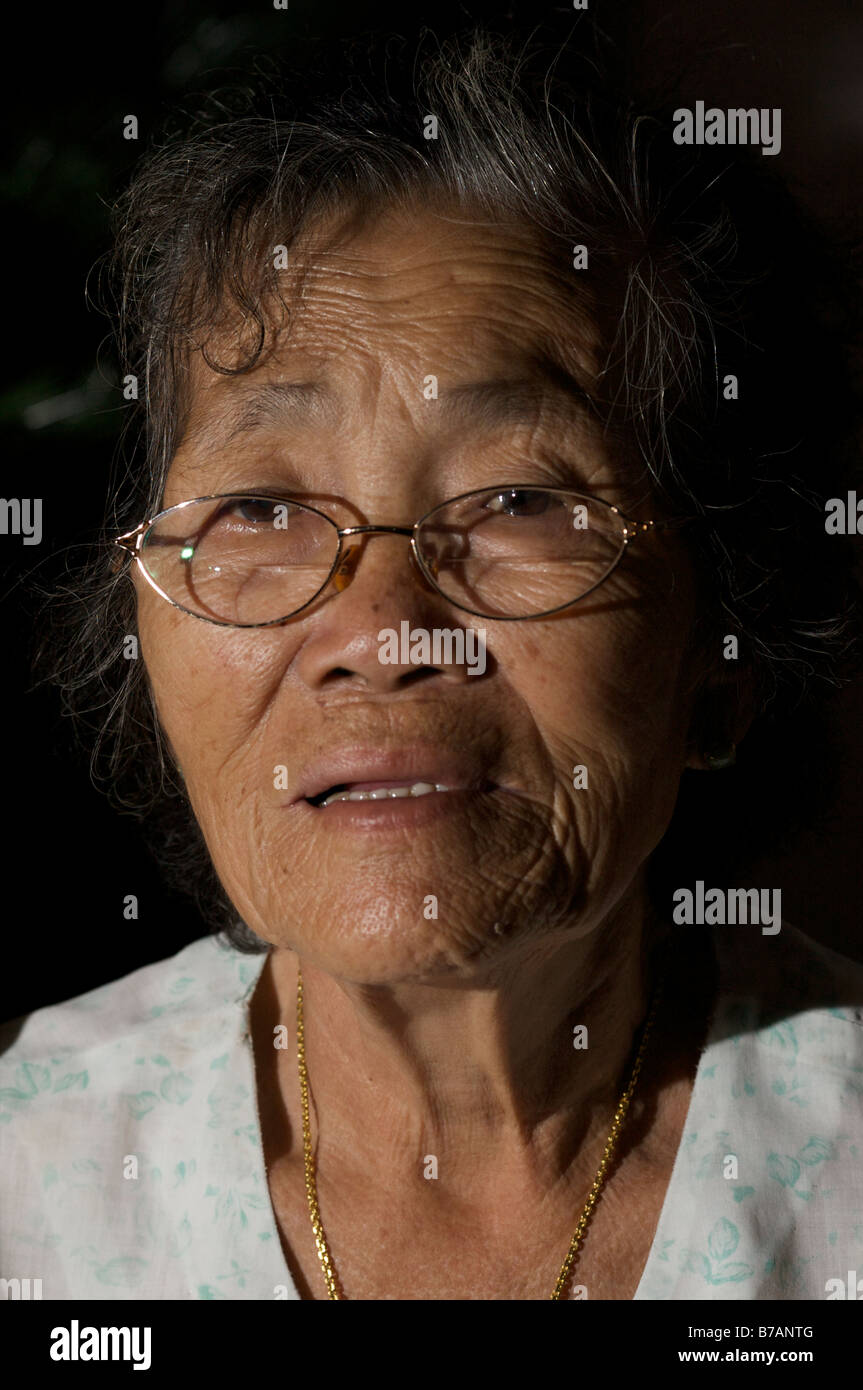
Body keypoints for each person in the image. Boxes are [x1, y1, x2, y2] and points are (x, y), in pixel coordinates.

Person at [2, 25, 862, 1301]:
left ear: (720, 655)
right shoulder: (33, 1180)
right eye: (256, 510)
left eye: (516, 498)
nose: (381, 635)